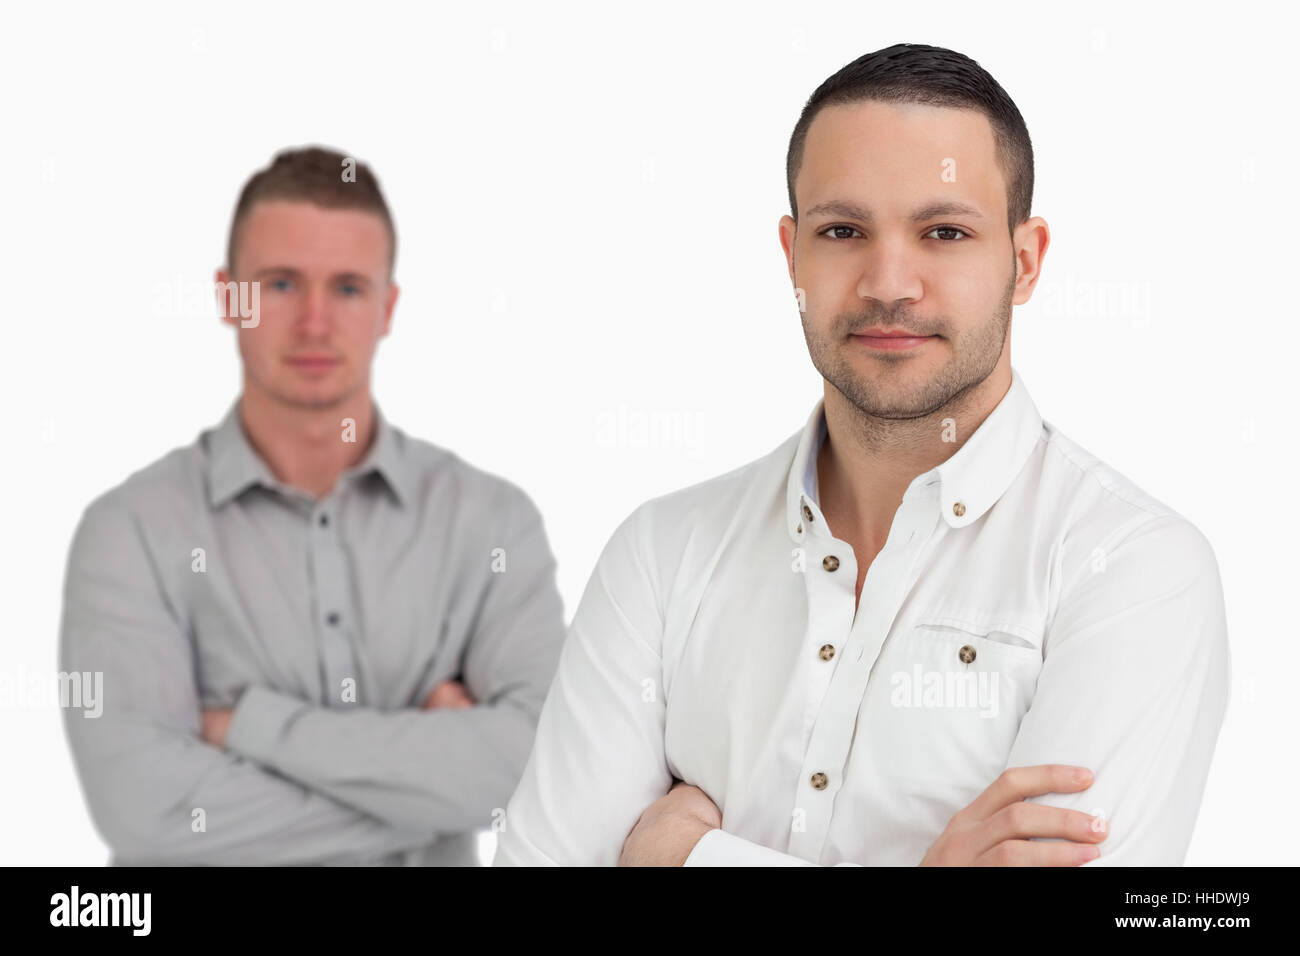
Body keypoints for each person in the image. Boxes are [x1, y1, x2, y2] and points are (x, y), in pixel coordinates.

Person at [495, 44, 1229, 866]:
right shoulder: (661, 555)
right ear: (792, 256)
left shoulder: (1132, 567)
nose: (889, 283)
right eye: (843, 230)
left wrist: (683, 855)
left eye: (944, 231)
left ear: (1023, 262)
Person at [59, 146, 567, 865]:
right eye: (282, 284)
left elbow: (546, 767)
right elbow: (147, 811)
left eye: (350, 288)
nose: (315, 324)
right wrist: (434, 789)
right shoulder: (129, 531)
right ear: (229, 295)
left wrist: (247, 728)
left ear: (389, 307)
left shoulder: (492, 522)